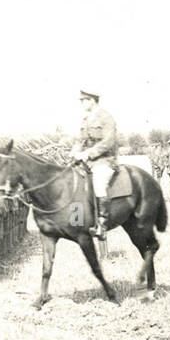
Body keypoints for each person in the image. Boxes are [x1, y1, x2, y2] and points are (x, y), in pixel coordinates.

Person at [69, 90, 118, 239]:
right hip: (87, 160)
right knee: (71, 181)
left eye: (84, 100)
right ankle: (76, 220)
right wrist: (74, 151)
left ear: (92, 100)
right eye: (81, 100)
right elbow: (81, 140)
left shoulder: (106, 117)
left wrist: (88, 154)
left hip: (105, 160)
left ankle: (102, 224)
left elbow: (108, 142)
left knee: (99, 183)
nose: (82, 103)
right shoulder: (85, 119)